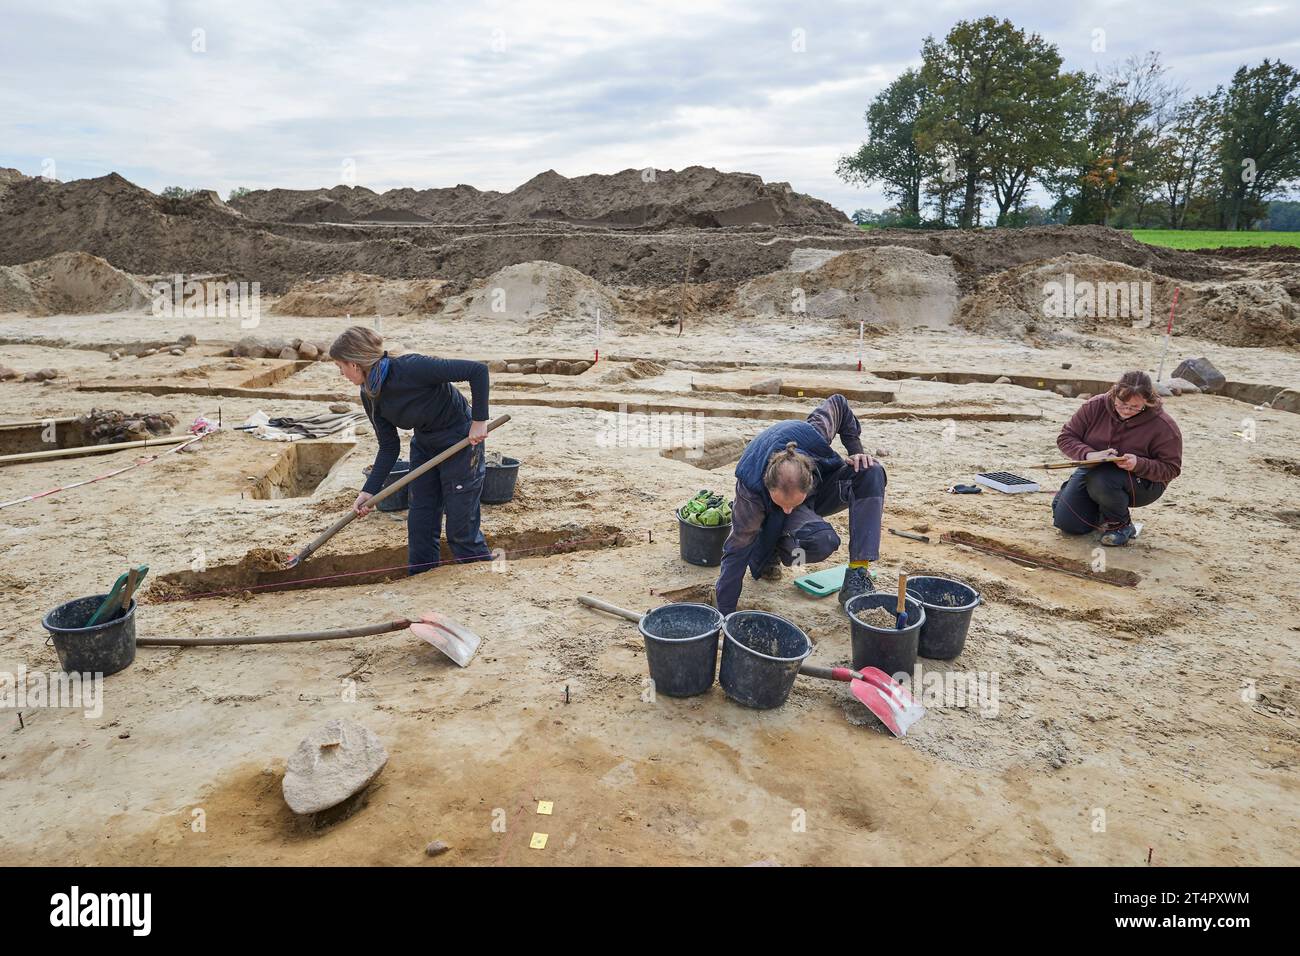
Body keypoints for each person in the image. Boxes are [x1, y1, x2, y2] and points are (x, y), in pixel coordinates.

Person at [329, 326, 492, 574]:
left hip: (461, 440)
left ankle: (479, 580)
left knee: (460, 526)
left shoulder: (412, 367)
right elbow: (389, 446)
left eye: (339, 366)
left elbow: (476, 371)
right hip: (425, 444)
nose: (341, 373)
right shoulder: (370, 393)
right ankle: (421, 580)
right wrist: (369, 490)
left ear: (353, 364)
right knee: (421, 522)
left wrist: (479, 421)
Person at [715, 394, 885, 615]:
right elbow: (735, 552)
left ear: (809, 480)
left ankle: (857, 574)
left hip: (814, 497)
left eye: (792, 504)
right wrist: (725, 612)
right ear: (767, 486)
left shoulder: (815, 435)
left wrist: (856, 451)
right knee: (796, 538)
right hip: (765, 514)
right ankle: (775, 550)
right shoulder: (751, 493)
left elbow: (839, 404)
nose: (788, 510)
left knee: (870, 472)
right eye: (782, 504)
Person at [1052, 370, 1182, 546]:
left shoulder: (1163, 425)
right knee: (1069, 524)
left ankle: (1121, 524)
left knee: (1102, 479)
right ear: (1114, 394)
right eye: (1122, 404)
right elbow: (1066, 437)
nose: (1127, 410)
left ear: (1147, 401)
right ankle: (1093, 506)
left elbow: (1172, 468)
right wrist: (1089, 454)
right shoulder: (1095, 406)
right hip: (1092, 469)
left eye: (1135, 407)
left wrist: (1139, 464)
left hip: (1142, 482)